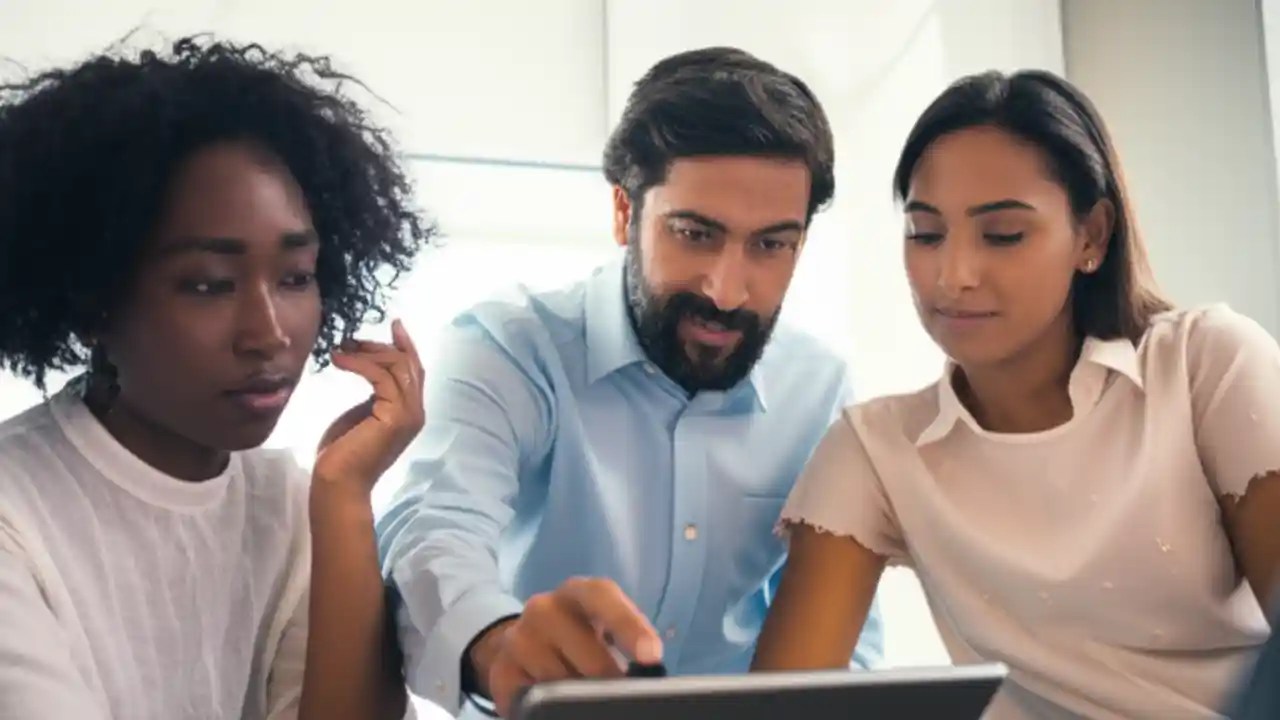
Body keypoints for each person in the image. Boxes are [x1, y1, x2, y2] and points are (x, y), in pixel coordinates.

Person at [751, 69, 1280, 718]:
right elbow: (776, 708)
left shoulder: (1204, 365)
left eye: (1002, 235)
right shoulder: (876, 450)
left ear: (1091, 236)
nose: (954, 275)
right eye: (925, 233)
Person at [376, 46, 883, 718]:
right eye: (695, 234)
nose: (728, 291)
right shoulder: (510, 347)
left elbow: (847, 642)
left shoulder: (819, 388)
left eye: (770, 245)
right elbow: (433, 532)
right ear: (624, 213)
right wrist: (499, 645)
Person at [0, 38, 433, 719]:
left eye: (295, 278)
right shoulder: (14, 514)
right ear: (92, 299)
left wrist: (345, 494)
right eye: (208, 284)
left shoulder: (292, 503)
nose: (269, 333)